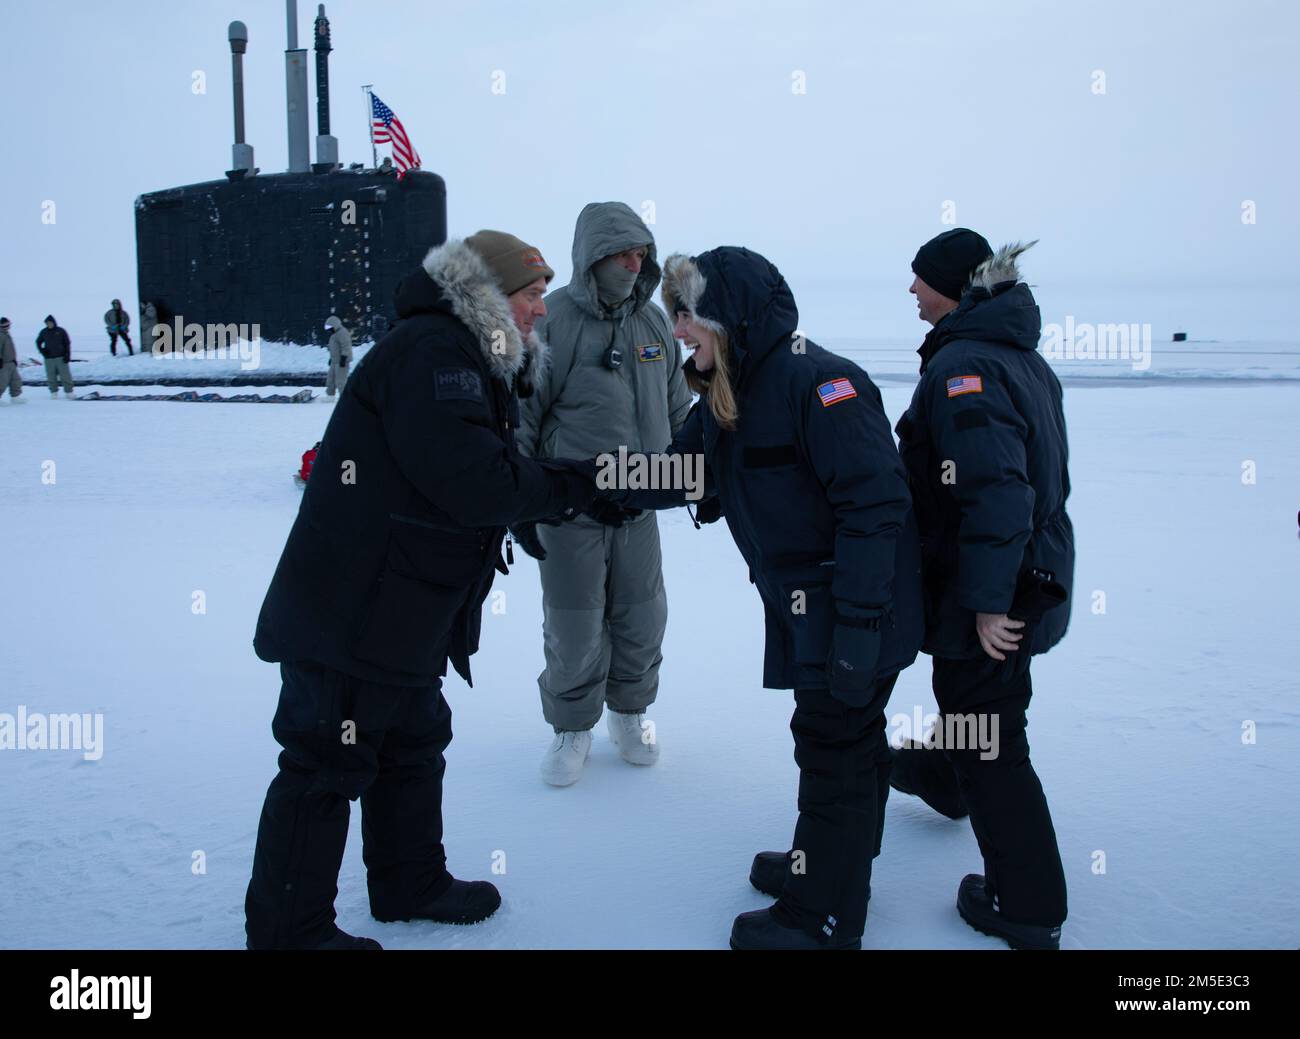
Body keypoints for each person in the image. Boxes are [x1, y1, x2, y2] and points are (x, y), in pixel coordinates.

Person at [245, 230, 602, 950]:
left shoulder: (465, 354)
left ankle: (409, 879)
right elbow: (474, 482)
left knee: (412, 738)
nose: (540, 311)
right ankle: (288, 931)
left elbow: (470, 477)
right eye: (532, 296)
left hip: (400, 607)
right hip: (354, 606)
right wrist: (579, 483)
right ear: (494, 296)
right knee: (325, 760)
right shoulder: (436, 353)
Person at [606, 246, 924, 949]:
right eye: (674, 316)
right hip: (809, 605)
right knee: (851, 738)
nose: (679, 330)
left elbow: (876, 507)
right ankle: (837, 864)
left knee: (831, 742)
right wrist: (592, 482)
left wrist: (861, 629)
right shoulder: (734, 389)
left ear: (729, 316)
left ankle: (823, 915)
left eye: (688, 315)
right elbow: (680, 471)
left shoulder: (820, 382)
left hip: (855, 604)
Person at [892, 229, 1073, 950]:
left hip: (998, 587)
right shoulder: (1013, 355)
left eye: (919, 278)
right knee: (979, 708)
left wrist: (990, 602)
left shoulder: (966, 367)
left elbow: (997, 492)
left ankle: (1026, 903)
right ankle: (944, 777)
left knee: (993, 737)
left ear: (952, 287)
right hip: (1028, 570)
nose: (910, 290)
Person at [514, 202, 692, 786]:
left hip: (640, 504)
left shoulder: (654, 323)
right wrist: (524, 497)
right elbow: (525, 415)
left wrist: (686, 476)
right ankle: (571, 725)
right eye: (623, 254)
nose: (634, 264)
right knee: (574, 622)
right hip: (570, 506)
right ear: (593, 255)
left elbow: (676, 408)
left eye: (641, 254)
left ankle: (631, 712)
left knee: (643, 614)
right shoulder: (553, 320)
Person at [35, 316, 74, 397]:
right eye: (47, 323)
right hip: (49, 359)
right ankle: (53, 392)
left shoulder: (61, 331)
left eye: (50, 322)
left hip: (61, 358)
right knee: (51, 376)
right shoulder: (44, 332)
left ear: (54, 322)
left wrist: (67, 355)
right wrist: (43, 351)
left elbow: (67, 343)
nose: (49, 324)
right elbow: (38, 342)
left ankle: (69, 392)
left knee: (65, 376)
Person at [323, 314, 352, 399]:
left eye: (330, 328)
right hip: (335, 361)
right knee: (330, 380)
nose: (329, 331)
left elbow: (346, 346)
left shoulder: (342, 333)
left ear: (334, 325)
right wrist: (331, 359)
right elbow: (334, 348)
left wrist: (344, 358)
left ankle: (344, 398)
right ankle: (330, 397)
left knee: (340, 381)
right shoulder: (334, 334)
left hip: (342, 361)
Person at [0, 317, 24, 402]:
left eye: (8, 325)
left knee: (16, 380)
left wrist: (14, 359)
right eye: (5, 325)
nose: (7, 327)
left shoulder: (7, 334)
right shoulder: (1, 335)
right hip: (4, 364)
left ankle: (15, 397)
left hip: (11, 362)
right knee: (2, 382)